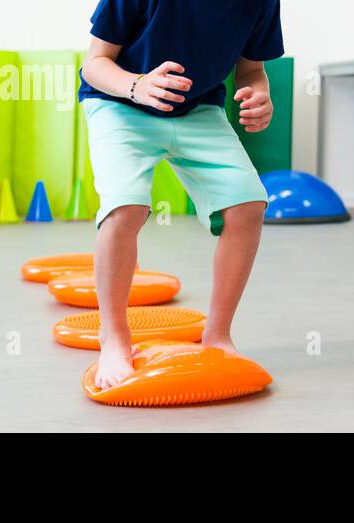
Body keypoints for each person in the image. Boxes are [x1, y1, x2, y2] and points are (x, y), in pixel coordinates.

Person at [78, 0, 283, 389]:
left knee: (248, 205)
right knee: (126, 207)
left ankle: (218, 336)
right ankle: (115, 337)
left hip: (198, 111)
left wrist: (258, 95)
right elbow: (95, 62)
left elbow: (252, 70)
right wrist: (137, 85)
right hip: (120, 105)